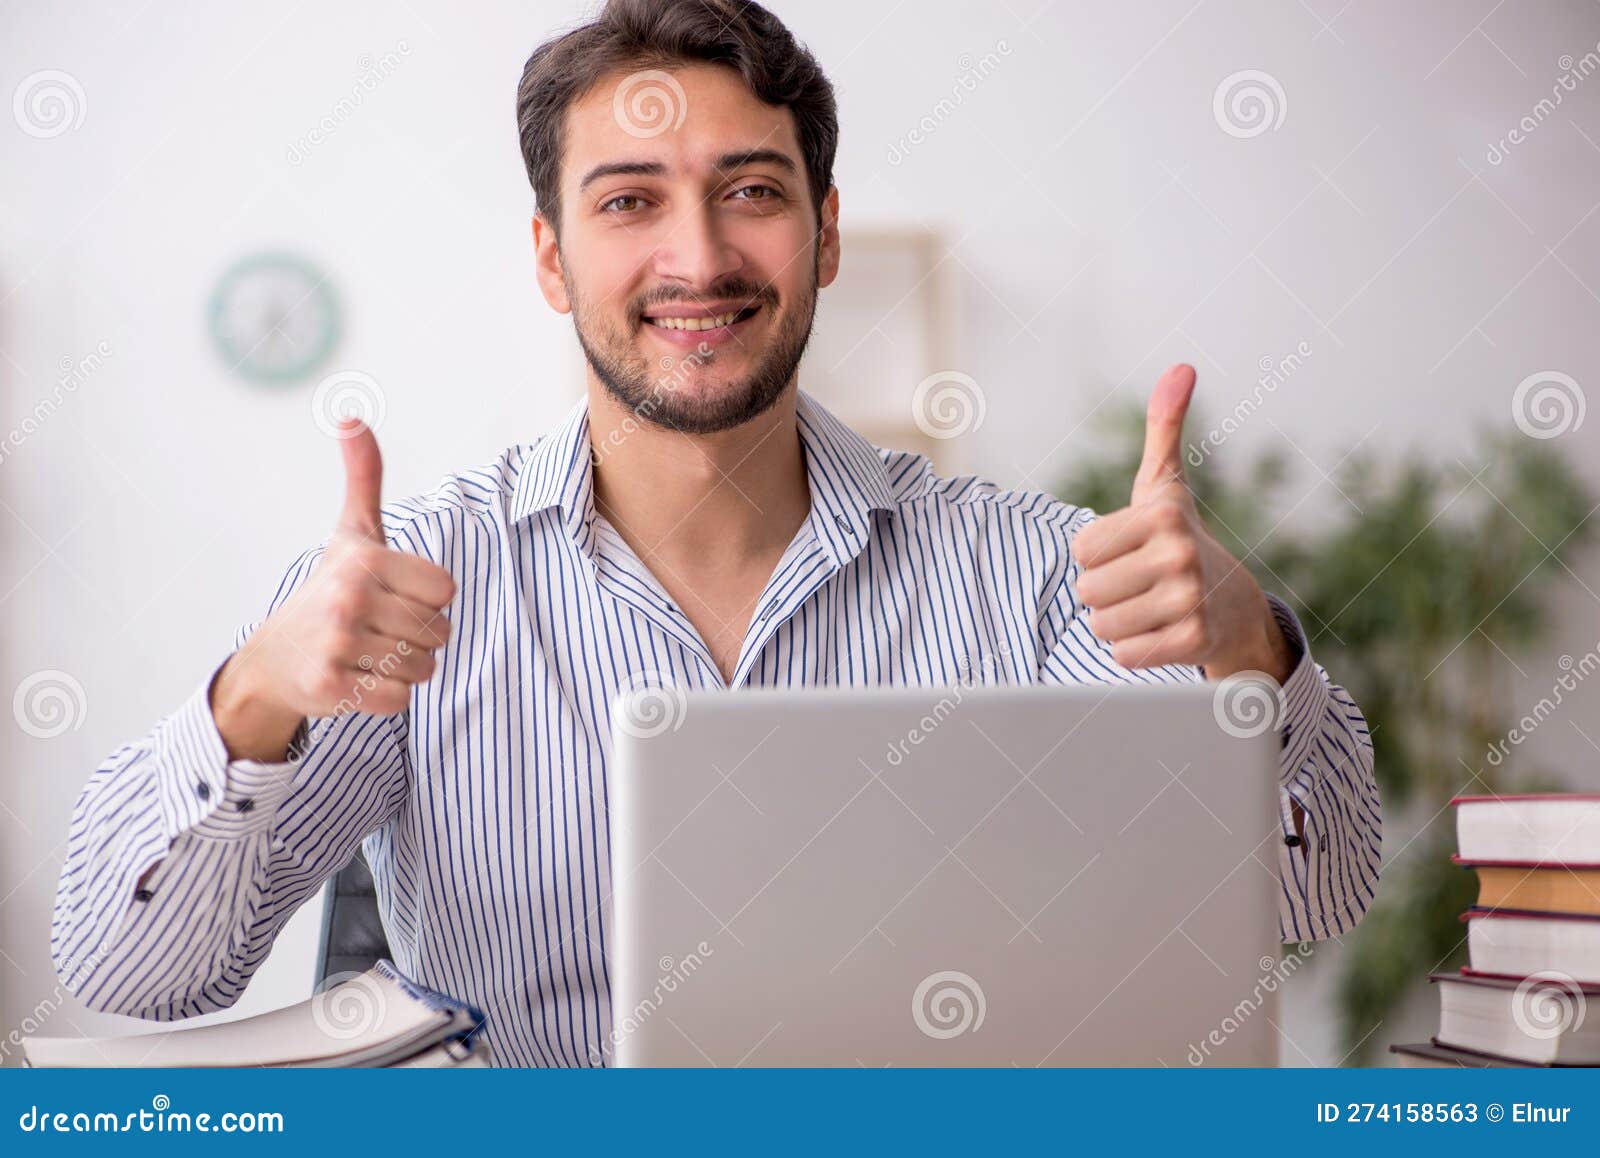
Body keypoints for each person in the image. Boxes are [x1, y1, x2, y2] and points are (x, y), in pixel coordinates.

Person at [52, 0, 1380, 1067]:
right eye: (629, 201)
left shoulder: (1036, 572)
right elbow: (129, 971)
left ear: (825, 234)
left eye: (751, 191)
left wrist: (1250, 656)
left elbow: (1312, 902)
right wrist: (254, 696)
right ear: (552, 258)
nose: (699, 258)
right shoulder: (408, 589)